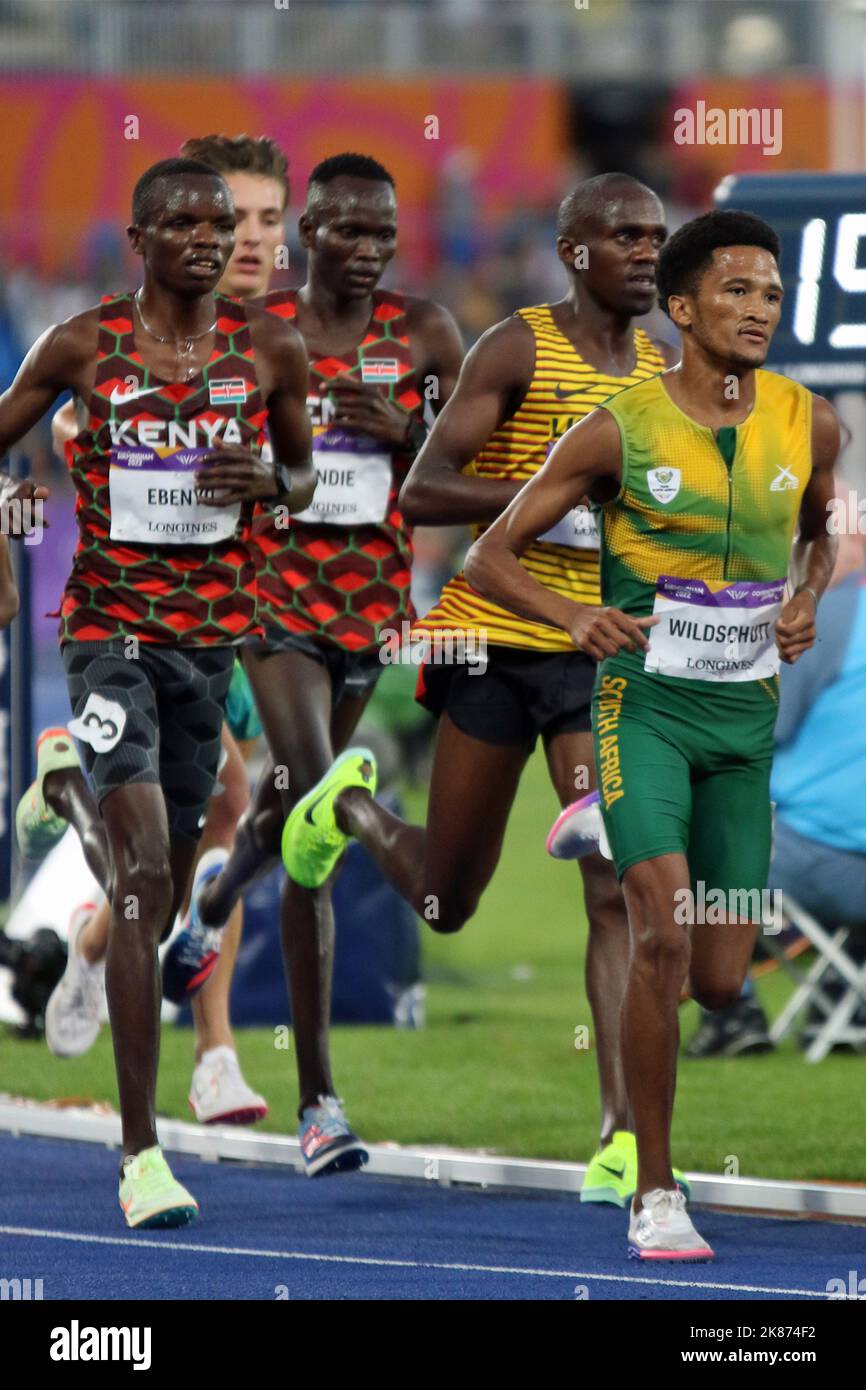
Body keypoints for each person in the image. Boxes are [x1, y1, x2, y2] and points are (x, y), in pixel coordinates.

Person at [280, 172, 688, 1205]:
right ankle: (352, 807)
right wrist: (549, 491)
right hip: (484, 637)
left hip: (594, 647)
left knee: (612, 874)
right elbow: (419, 489)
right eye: (624, 237)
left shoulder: (659, 366)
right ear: (574, 250)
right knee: (445, 900)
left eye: (655, 237)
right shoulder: (515, 346)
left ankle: (613, 1133)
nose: (646, 252)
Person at [460, 208, 839, 1259]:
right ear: (679, 309)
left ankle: (611, 830)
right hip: (644, 708)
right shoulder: (616, 427)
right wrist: (574, 616)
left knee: (718, 980)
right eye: (734, 290)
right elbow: (488, 553)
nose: (757, 308)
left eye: (768, 291)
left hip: (739, 723)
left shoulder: (809, 422)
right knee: (659, 935)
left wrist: (805, 594)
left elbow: (819, 532)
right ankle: (654, 1188)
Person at [3, 156, 315, 1227]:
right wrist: (9, 536)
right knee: (143, 869)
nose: (206, 235)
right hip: (109, 633)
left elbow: (304, 480)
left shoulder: (268, 348)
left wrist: (270, 485)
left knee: (166, 889)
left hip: (208, 647)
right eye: (180, 221)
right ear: (137, 238)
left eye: (218, 221)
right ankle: (142, 1154)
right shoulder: (83, 346)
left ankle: (73, 827)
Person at [189, 152, 464, 1176]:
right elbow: (202, 466)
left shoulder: (427, 332)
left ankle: (213, 902)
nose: (365, 248)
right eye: (345, 229)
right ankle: (319, 1102)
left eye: (382, 232)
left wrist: (413, 432)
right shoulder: (260, 338)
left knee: (285, 813)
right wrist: (266, 472)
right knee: (315, 794)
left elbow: (476, 464)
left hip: (367, 611)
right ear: (307, 231)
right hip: (269, 599)